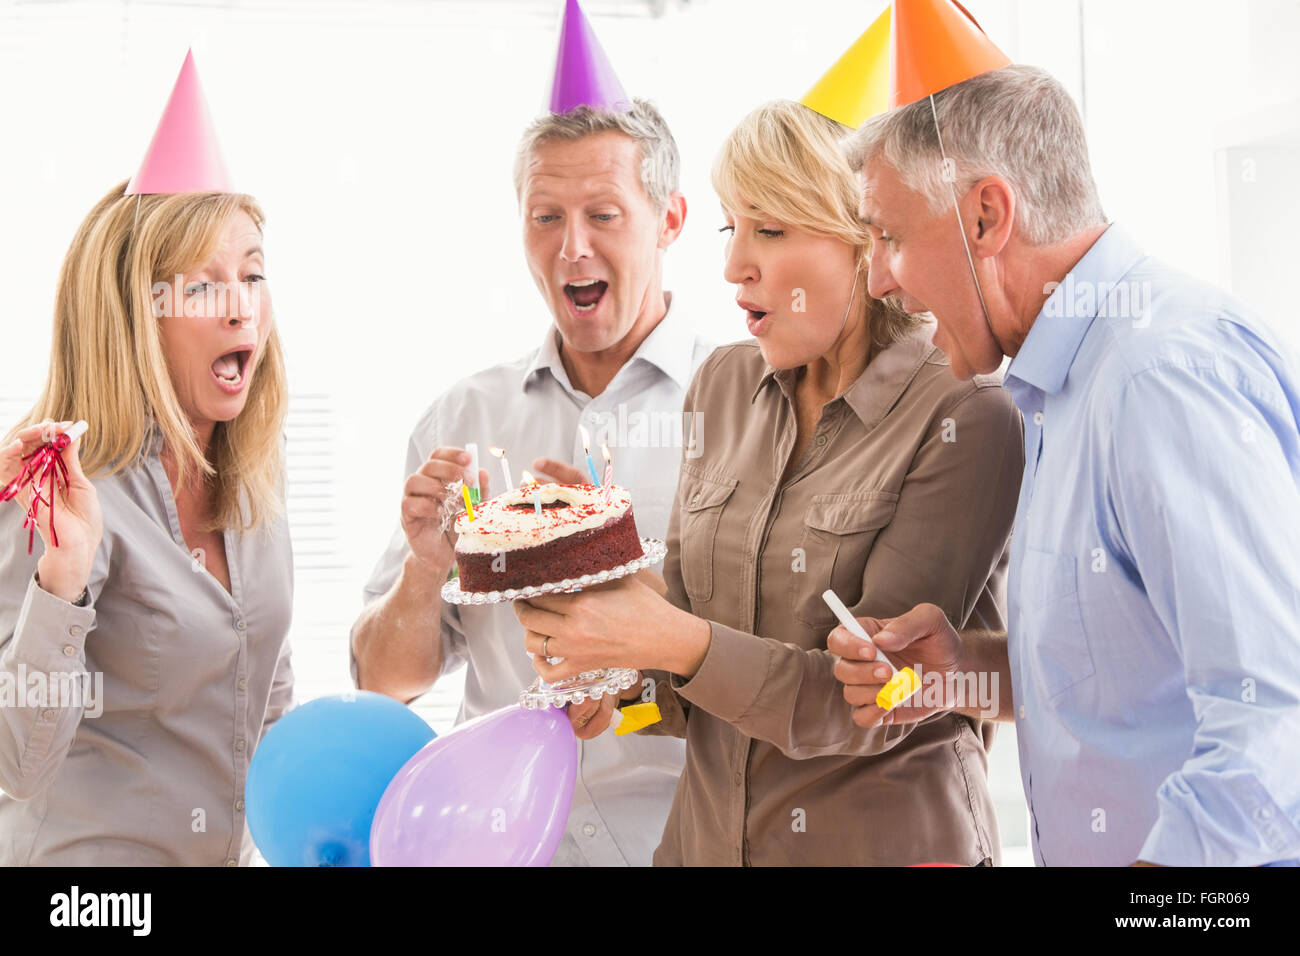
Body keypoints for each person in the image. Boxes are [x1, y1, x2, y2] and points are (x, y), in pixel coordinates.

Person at [514, 100, 1024, 866]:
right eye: (731, 228)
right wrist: (622, 695)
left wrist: (665, 636)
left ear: (861, 241)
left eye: (771, 230)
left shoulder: (964, 413)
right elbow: (698, 683)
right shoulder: (719, 385)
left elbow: (868, 704)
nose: (733, 266)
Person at [835, 63, 1300, 866]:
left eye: (890, 237)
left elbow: (1275, 723)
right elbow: (1136, 676)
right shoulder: (1059, 390)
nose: (879, 279)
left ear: (986, 216)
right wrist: (966, 672)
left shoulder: (1160, 377)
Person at [350, 98, 711, 866]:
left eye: (604, 215)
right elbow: (381, 680)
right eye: (545, 217)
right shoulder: (464, 416)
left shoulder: (745, 405)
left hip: (672, 844)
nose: (572, 248)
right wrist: (423, 570)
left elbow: (770, 670)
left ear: (671, 220)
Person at [0, 182, 293, 865]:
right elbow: (16, 762)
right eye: (199, 288)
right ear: (132, 317)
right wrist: (63, 578)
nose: (240, 306)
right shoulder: (55, 489)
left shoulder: (254, 466)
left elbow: (268, 684)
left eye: (251, 275)